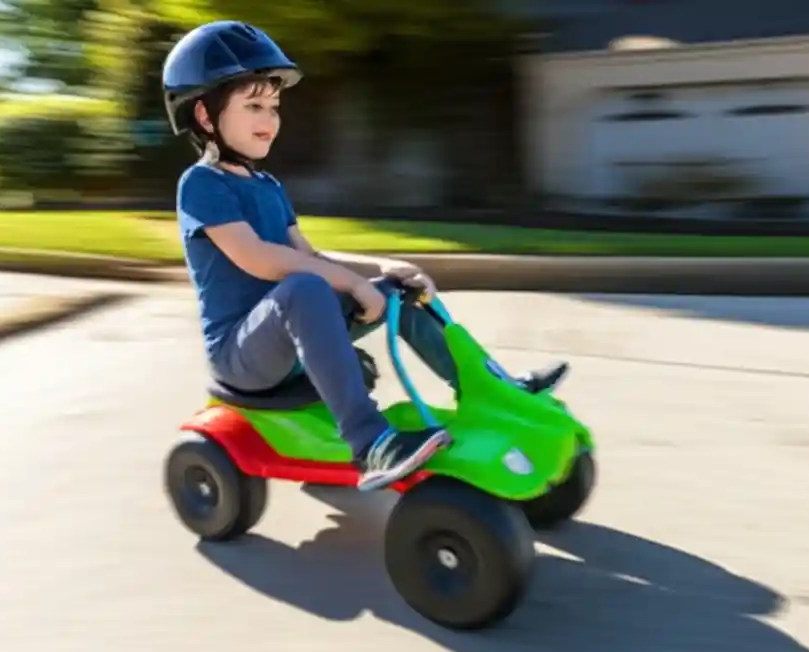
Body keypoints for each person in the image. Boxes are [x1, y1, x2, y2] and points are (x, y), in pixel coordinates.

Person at [162, 21, 568, 491]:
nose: (270, 119)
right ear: (206, 117)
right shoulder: (201, 185)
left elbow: (308, 254)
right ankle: (370, 442)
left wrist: (379, 270)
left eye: (273, 106)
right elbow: (256, 257)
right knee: (306, 288)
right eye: (254, 106)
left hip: (293, 322)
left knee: (400, 292)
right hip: (242, 355)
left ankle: (495, 389)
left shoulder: (268, 186)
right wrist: (350, 286)